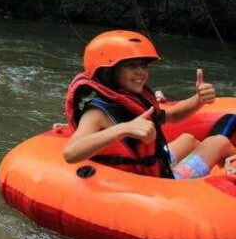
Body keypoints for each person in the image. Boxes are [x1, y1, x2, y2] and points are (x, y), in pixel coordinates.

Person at [63, 30, 236, 179]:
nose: (141, 72)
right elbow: (71, 153)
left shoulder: (130, 98)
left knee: (188, 140)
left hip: (152, 166)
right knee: (218, 142)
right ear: (108, 72)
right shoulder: (97, 113)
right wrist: (122, 128)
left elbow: (173, 116)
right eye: (131, 66)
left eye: (143, 66)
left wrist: (198, 99)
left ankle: (216, 169)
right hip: (150, 181)